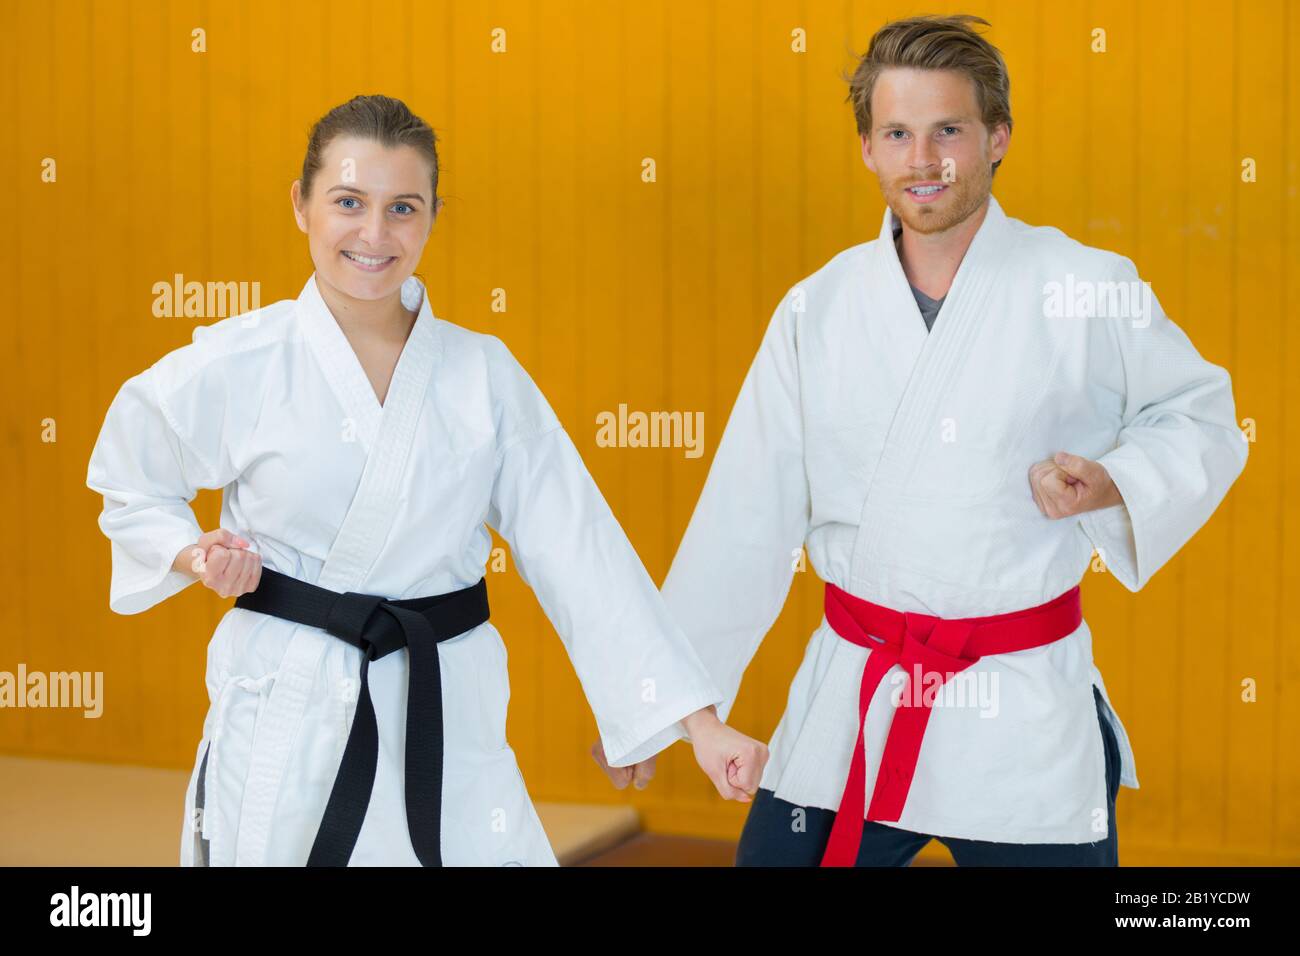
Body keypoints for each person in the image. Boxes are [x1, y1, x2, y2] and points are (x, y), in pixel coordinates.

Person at [86, 94, 767, 867]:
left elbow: (581, 551)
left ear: (434, 215)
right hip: (286, 702)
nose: (375, 234)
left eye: (402, 208)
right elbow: (130, 479)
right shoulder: (240, 361)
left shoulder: (483, 374)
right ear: (301, 205)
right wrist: (192, 553)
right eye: (348, 202)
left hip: (445, 705)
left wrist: (694, 721)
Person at [655, 14, 1249, 866]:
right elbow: (745, 513)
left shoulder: (1086, 286)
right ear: (867, 147)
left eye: (949, 132)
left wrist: (1115, 478)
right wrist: (679, 706)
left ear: (997, 138)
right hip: (859, 694)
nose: (922, 159)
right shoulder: (815, 311)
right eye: (897, 133)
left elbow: (1202, 414)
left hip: (1020, 703)